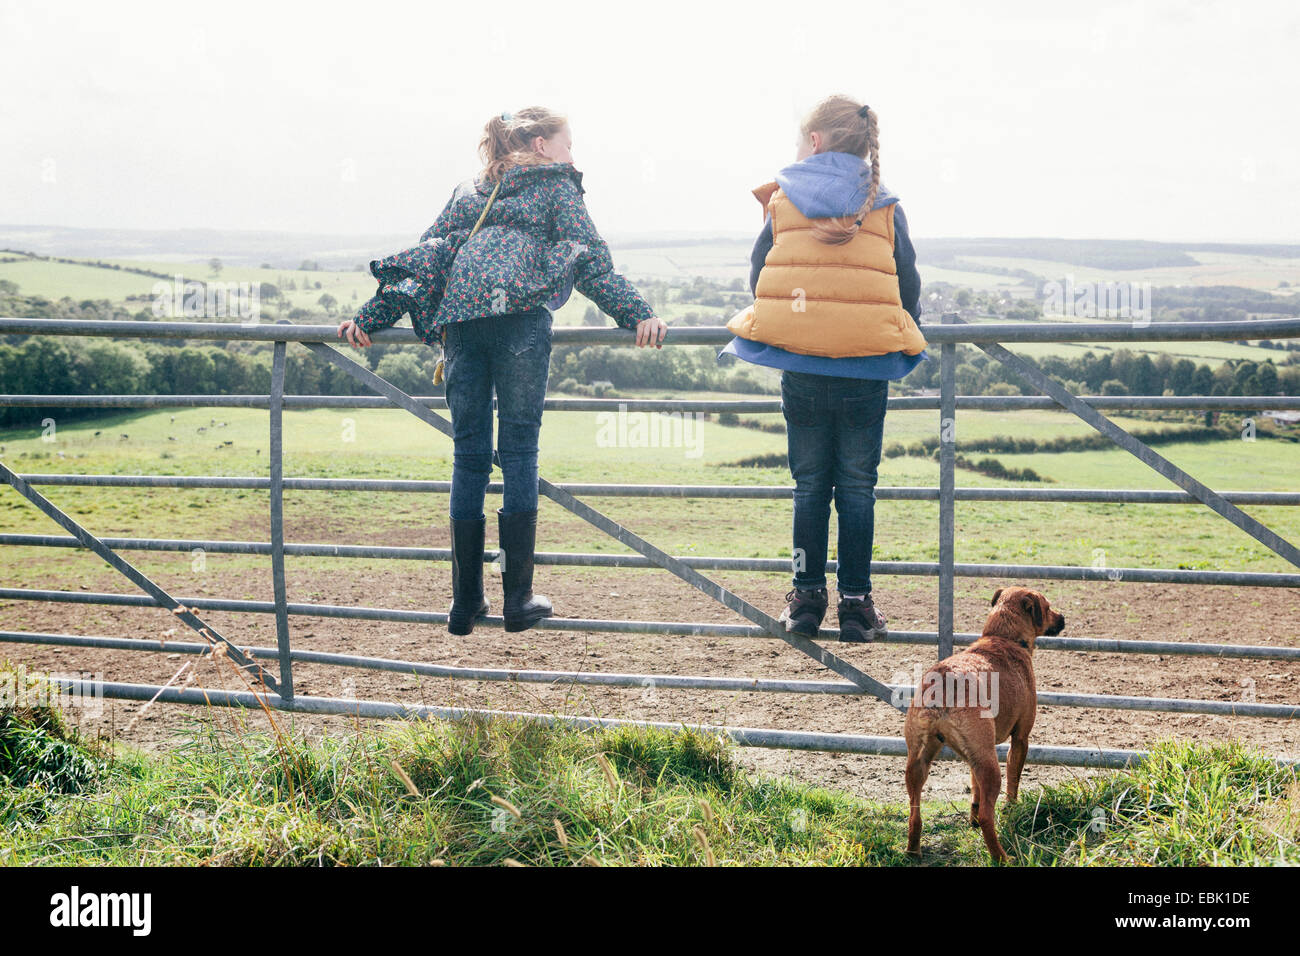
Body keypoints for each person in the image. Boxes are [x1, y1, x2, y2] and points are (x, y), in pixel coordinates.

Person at [337, 106, 667, 636]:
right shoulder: (557, 187)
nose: (571, 155)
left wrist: (369, 319)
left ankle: (464, 603)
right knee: (518, 451)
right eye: (566, 144)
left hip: (462, 327)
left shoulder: (469, 191)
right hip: (519, 327)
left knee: (468, 456)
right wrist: (638, 313)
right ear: (540, 145)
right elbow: (590, 262)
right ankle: (518, 598)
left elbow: (426, 259)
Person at [721, 94, 928, 642]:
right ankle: (857, 607)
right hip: (865, 366)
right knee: (858, 487)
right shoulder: (884, 202)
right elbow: (907, 284)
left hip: (804, 366)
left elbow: (760, 275)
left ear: (815, 142)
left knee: (810, 486)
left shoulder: (783, 198)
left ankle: (807, 600)